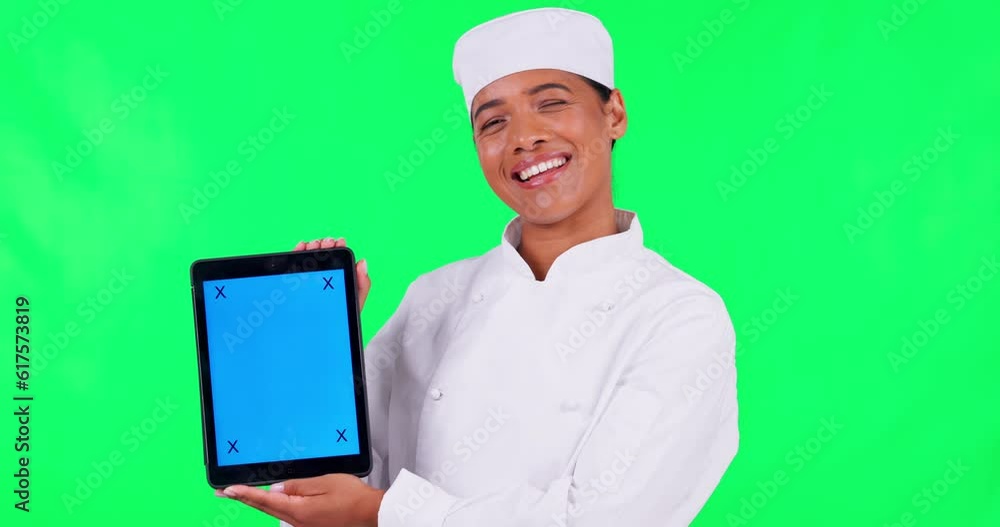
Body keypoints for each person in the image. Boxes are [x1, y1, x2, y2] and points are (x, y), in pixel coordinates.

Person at [216, 8, 739, 526]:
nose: (523, 138)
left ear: (614, 113)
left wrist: (384, 513)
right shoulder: (433, 296)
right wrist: (325, 353)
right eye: (493, 121)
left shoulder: (680, 316)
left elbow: (606, 518)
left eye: (551, 104)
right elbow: (331, 488)